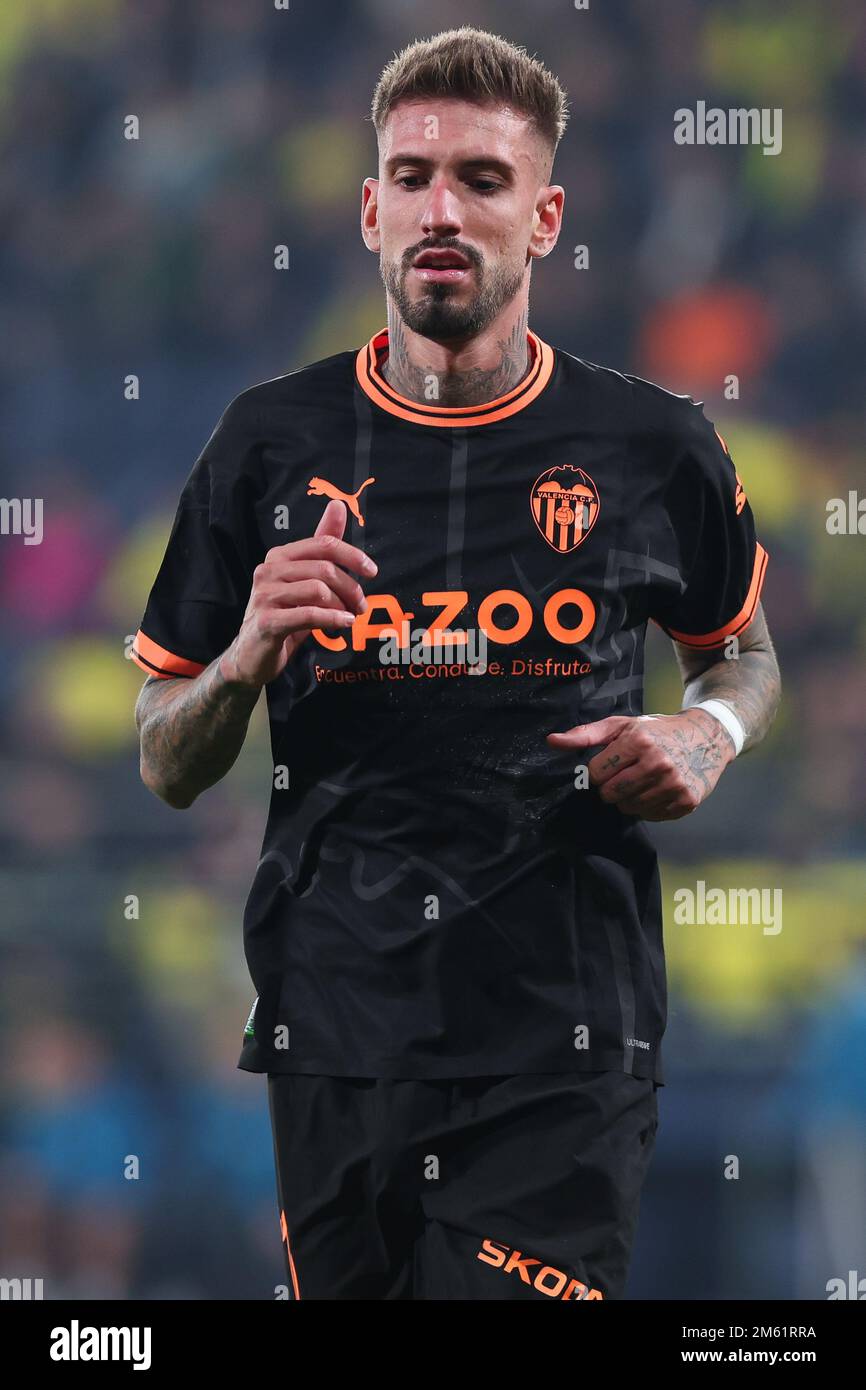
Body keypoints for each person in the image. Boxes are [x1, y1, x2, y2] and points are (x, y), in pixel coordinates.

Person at [132, 26, 781, 1300]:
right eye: (414, 175)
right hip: (332, 1033)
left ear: (541, 218)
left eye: (481, 179)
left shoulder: (651, 446)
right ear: (370, 210)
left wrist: (710, 735)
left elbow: (740, 655)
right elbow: (164, 756)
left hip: (564, 1039)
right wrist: (246, 657)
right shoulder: (267, 443)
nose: (443, 206)